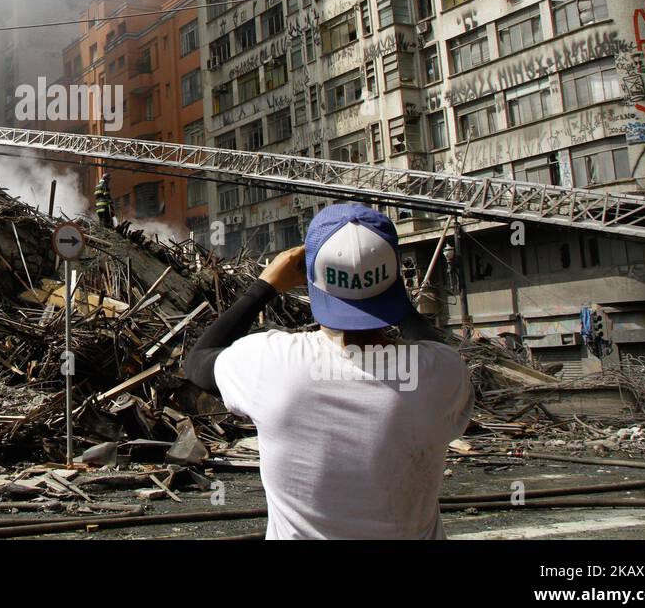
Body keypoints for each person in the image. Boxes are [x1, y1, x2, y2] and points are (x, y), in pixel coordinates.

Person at [184, 202, 473, 540]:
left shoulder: (272, 363)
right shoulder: (440, 373)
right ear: (394, 278)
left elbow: (198, 360)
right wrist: (392, 296)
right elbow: (432, 344)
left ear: (312, 279)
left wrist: (265, 286)